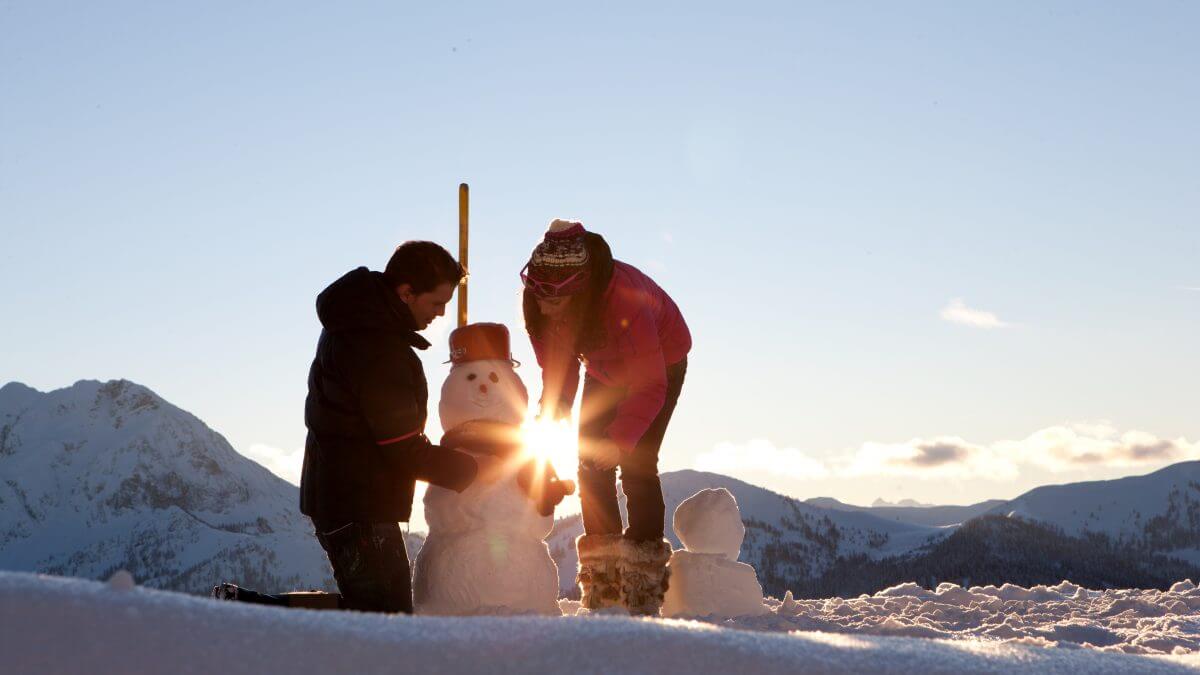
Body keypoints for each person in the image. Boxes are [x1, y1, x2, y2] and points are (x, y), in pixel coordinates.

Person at [300, 241, 491, 614]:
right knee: (387, 619)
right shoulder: (379, 349)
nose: (441, 313)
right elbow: (401, 446)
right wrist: (474, 468)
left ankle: (250, 610)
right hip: (359, 507)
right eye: (436, 303)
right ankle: (250, 616)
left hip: (340, 497)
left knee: (368, 610)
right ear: (406, 293)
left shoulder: (353, 323)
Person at [521, 219, 691, 615]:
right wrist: (555, 408)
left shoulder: (626, 301)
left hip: (659, 366)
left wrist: (620, 439)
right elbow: (558, 365)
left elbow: (649, 385)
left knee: (636, 464)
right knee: (589, 463)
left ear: (579, 294)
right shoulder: (540, 303)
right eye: (538, 296)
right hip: (603, 366)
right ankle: (605, 581)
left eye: (554, 302)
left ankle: (643, 585)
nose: (543, 307)